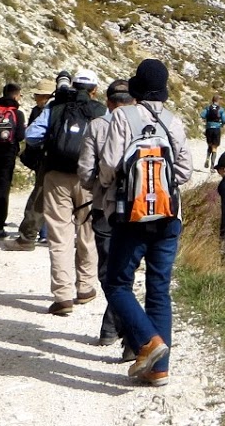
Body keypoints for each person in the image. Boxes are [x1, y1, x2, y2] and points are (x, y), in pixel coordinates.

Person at [89, 59, 193, 386]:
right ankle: (158, 370)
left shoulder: (122, 116)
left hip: (130, 214)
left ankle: (149, 342)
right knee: (159, 288)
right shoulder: (174, 122)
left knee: (116, 282)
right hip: (168, 213)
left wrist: (110, 185)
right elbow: (185, 172)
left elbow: (108, 164)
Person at [27, 69, 106, 315]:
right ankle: (85, 288)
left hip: (56, 176)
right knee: (87, 233)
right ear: (94, 90)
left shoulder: (56, 107)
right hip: (89, 179)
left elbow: (31, 135)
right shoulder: (102, 112)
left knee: (60, 235)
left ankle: (62, 297)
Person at [87, 79, 133, 349]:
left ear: (108, 101)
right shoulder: (144, 123)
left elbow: (86, 169)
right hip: (137, 207)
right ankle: (115, 328)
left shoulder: (98, 126)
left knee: (107, 269)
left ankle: (118, 327)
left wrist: (97, 187)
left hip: (104, 205)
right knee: (126, 268)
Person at [12, 78, 59, 248]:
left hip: (47, 160)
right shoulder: (57, 108)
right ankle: (48, 234)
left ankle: (31, 236)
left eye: (38, 95)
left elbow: (31, 135)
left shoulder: (48, 110)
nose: (36, 98)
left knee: (39, 199)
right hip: (57, 161)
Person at [0, 82, 26, 238]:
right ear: (15, 96)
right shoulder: (18, 113)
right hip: (7, 155)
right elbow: (20, 136)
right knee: (3, 188)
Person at [200, 93, 225, 168]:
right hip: (216, 128)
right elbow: (224, 119)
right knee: (214, 147)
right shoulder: (221, 109)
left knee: (209, 145)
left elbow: (202, 115)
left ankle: (207, 158)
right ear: (218, 101)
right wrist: (221, 124)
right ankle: (212, 166)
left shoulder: (208, 108)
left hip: (209, 128)